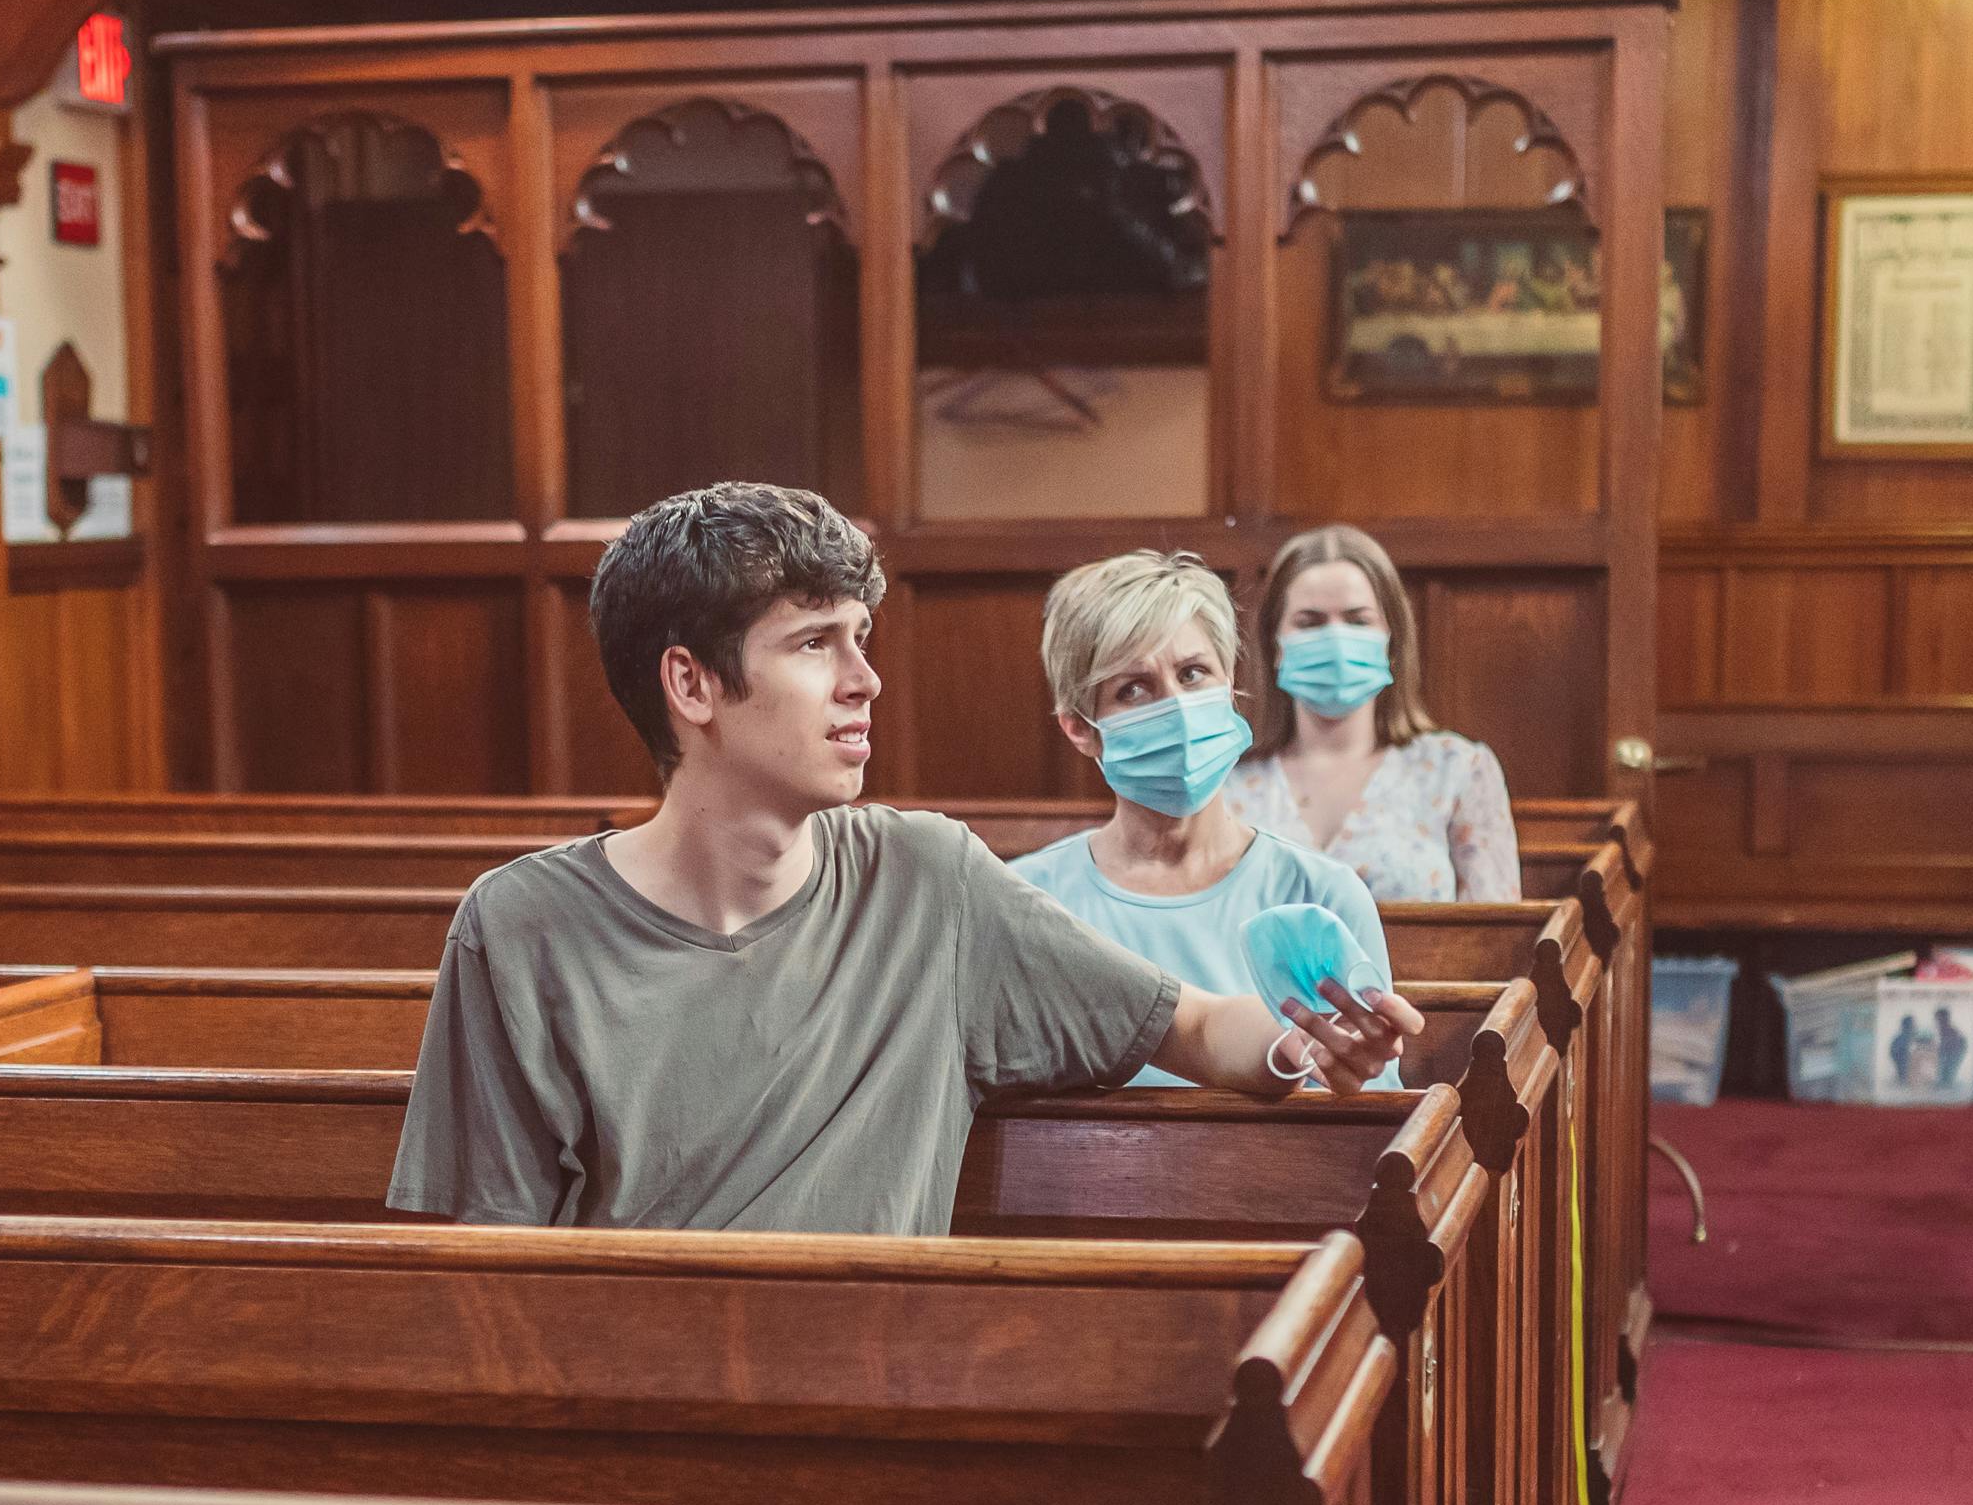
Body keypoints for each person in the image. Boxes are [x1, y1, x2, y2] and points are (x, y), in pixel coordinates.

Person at [388, 483, 1420, 1233]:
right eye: (814, 644)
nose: (866, 680)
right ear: (690, 685)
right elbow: (482, 1270)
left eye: (862, 637)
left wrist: (1305, 1044)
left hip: (882, 1422)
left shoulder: (930, 880)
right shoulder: (520, 928)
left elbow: (1192, 1025)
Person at [1009, 550, 1404, 1090]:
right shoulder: (1029, 900)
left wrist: (1348, 1066)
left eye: (1193, 674)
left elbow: (1364, 1119)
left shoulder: (1320, 894)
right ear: (1080, 728)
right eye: (1133, 689)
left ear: (1230, 687)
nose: (1176, 707)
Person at [1230, 523, 1521, 905]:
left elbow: (1495, 938)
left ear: (1391, 640)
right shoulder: (1227, 783)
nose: (1335, 638)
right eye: (1310, 622)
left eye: (1357, 620)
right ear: (1276, 645)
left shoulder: (1458, 769)